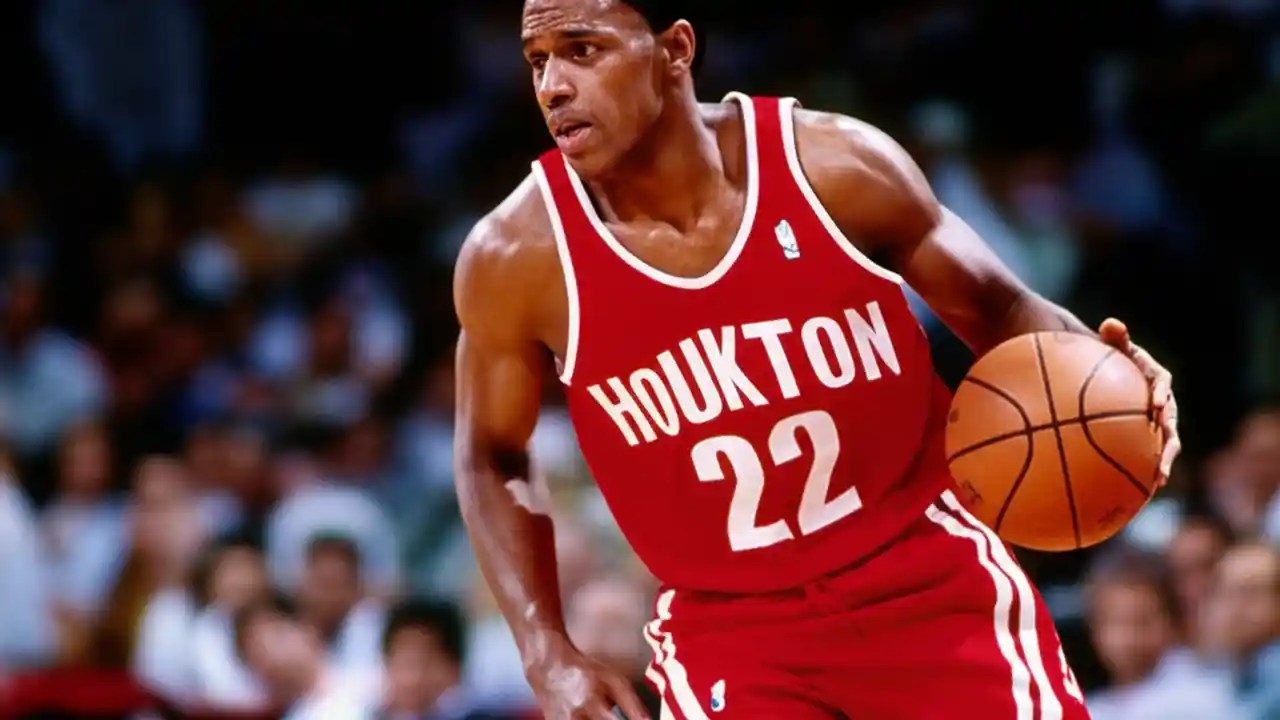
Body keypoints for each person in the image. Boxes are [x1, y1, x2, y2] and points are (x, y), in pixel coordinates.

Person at [451, 1, 1182, 718]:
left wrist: (1111, 384)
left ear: (675, 50)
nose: (553, 86)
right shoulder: (516, 256)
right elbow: (489, 454)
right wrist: (544, 649)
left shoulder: (833, 166)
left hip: (926, 574)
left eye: (584, 50)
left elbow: (1005, 311)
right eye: (538, 61)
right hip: (732, 632)